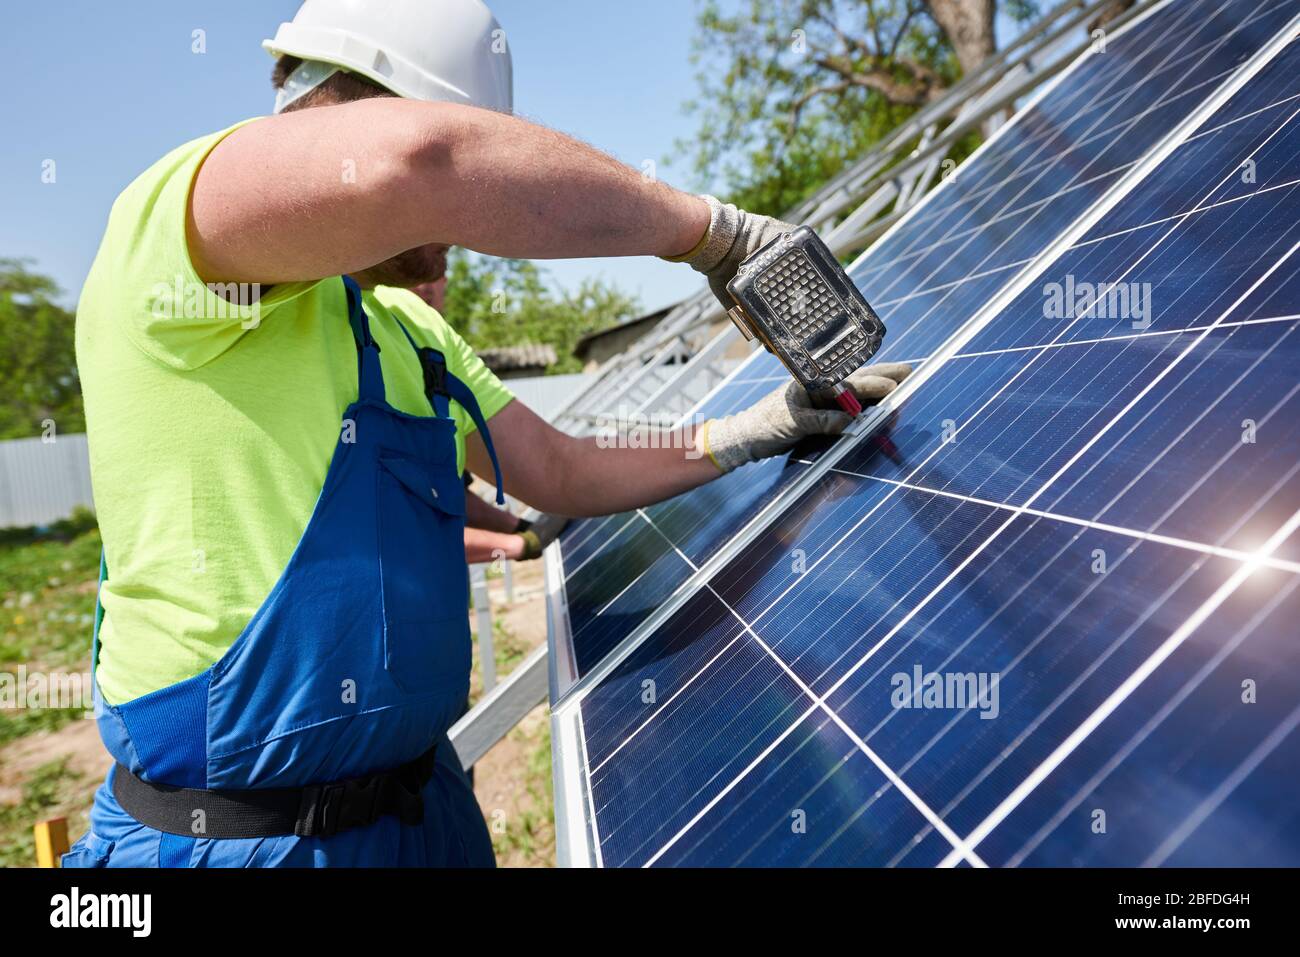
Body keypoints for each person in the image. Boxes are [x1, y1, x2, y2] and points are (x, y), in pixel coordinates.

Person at [68, 0, 910, 868]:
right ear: (346, 106)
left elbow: (565, 470)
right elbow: (421, 163)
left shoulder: (406, 331)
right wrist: (712, 235)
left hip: (426, 812)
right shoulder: (174, 245)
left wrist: (748, 431)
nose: (454, 248)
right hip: (231, 836)